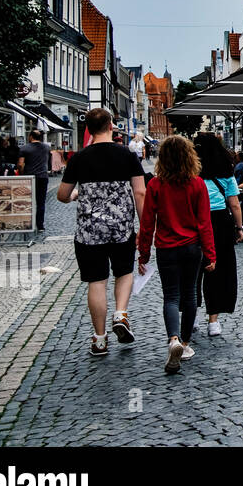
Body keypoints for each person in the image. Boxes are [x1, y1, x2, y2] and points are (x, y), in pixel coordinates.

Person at [57, 108, 146, 357]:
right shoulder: (127, 155)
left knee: (96, 281)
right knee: (124, 272)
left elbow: (62, 195)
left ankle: (99, 339)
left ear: (89, 129)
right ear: (110, 125)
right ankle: (120, 313)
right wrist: (144, 227)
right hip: (121, 229)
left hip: (89, 232)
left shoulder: (79, 158)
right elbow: (140, 192)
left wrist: (77, 194)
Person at [138, 135, 215, 374]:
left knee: (170, 296)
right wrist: (210, 253)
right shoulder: (198, 184)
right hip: (192, 247)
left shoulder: (155, 185)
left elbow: (147, 222)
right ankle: (185, 343)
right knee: (190, 294)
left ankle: (172, 339)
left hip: (166, 248)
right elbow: (204, 223)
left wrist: (143, 254)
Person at [193, 132, 243, 337]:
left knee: (194, 270)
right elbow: (234, 204)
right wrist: (239, 227)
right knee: (218, 271)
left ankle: (191, 314)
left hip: (195, 221)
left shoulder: (192, 173)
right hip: (220, 222)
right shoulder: (226, 172)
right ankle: (213, 320)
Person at [18, 129, 52, 232]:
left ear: (31, 137)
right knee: (41, 202)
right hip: (43, 177)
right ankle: (40, 225)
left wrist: (22, 172)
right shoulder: (46, 147)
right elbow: (49, 161)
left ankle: (27, 224)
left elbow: (20, 164)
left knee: (27, 202)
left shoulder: (24, 148)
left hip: (29, 178)